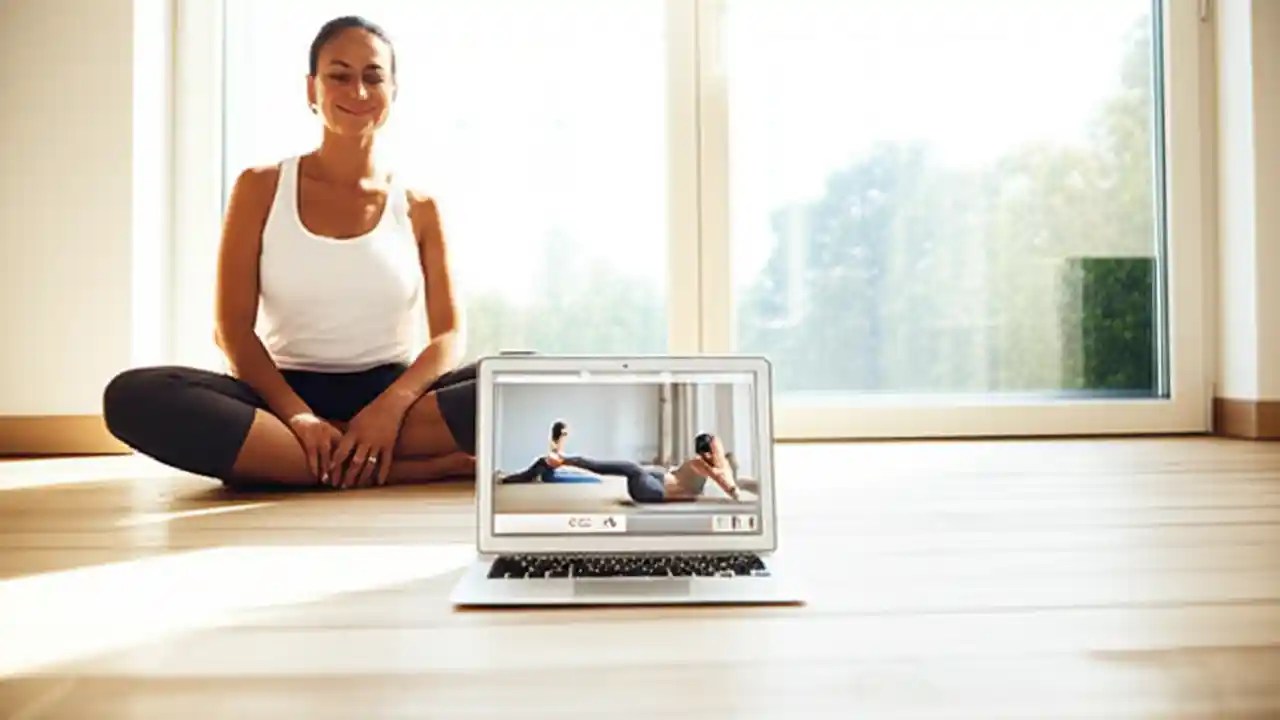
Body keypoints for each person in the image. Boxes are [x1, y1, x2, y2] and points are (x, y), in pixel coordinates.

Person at [101, 16, 476, 490]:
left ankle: (300, 461)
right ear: (311, 89)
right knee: (133, 396)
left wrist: (388, 409)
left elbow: (448, 335)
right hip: (278, 398)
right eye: (339, 75)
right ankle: (399, 468)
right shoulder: (260, 187)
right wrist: (299, 417)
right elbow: (232, 331)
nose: (357, 91)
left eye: (373, 76)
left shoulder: (419, 207)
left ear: (393, 91)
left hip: (395, 401)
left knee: (522, 377)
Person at [499, 421, 573, 484]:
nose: (565, 433)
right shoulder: (554, 441)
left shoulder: (559, 440)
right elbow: (554, 452)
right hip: (544, 463)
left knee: (527, 476)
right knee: (526, 476)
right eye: (563, 431)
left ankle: (505, 479)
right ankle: (505, 479)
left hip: (547, 464)